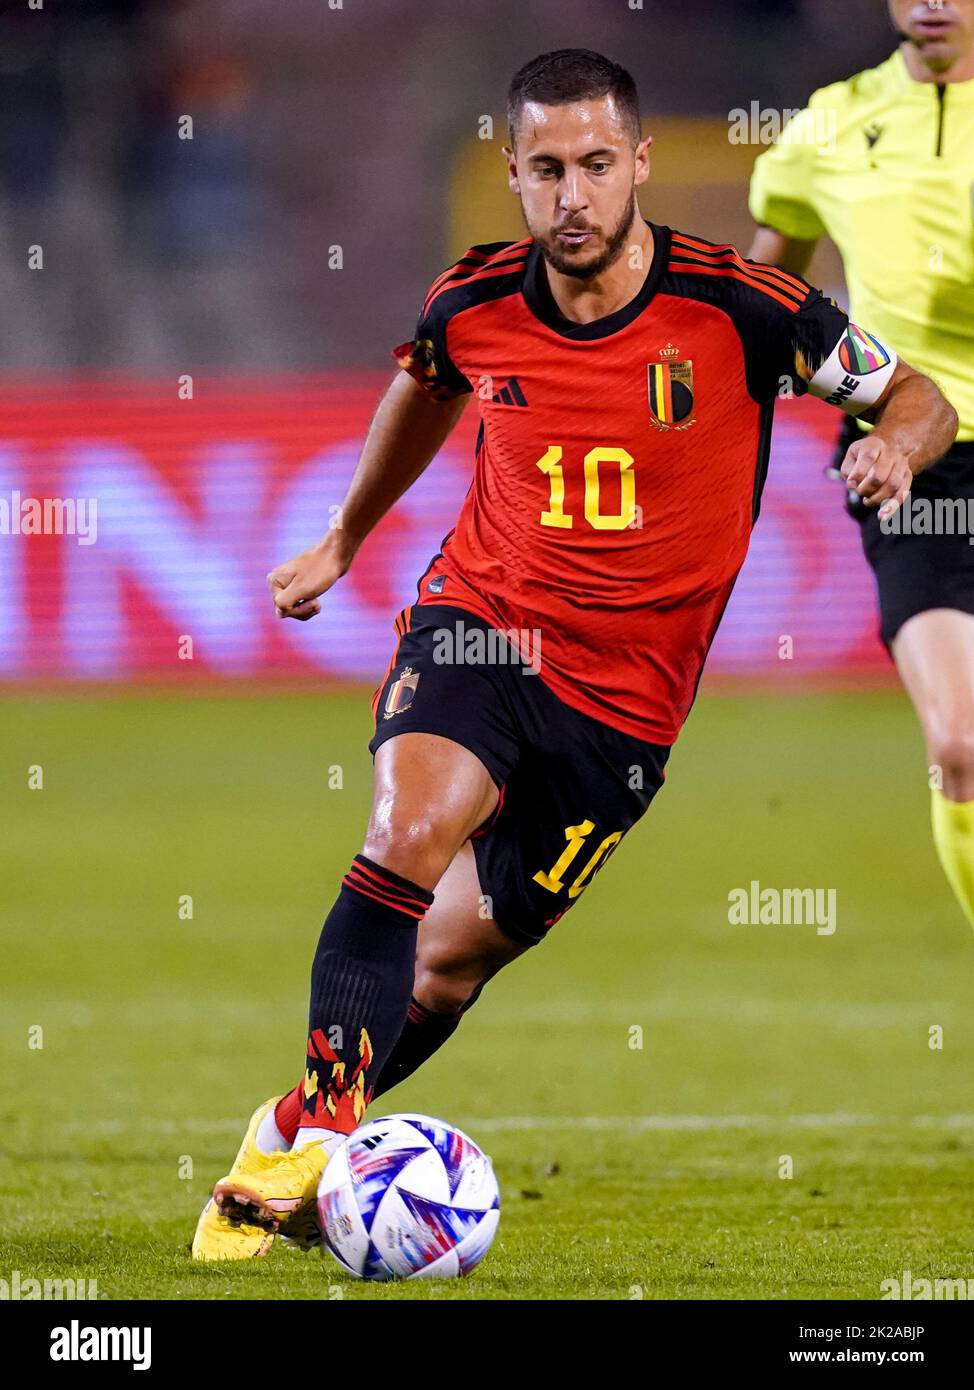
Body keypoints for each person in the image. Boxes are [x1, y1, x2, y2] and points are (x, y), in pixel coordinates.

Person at [192, 47, 956, 1260]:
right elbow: (424, 386)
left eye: (596, 165)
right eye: (544, 169)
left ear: (639, 163)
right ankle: (310, 1144)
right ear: (512, 172)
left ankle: (308, 1122)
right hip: (482, 623)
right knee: (403, 832)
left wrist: (898, 451)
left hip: (626, 708)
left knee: (444, 966)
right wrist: (345, 535)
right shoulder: (471, 300)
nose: (571, 196)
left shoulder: (742, 307)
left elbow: (916, 396)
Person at [748, 0, 974, 929]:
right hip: (919, 458)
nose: (929, 3)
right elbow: (769, 287)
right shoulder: (830, 124)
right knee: (960, 745)